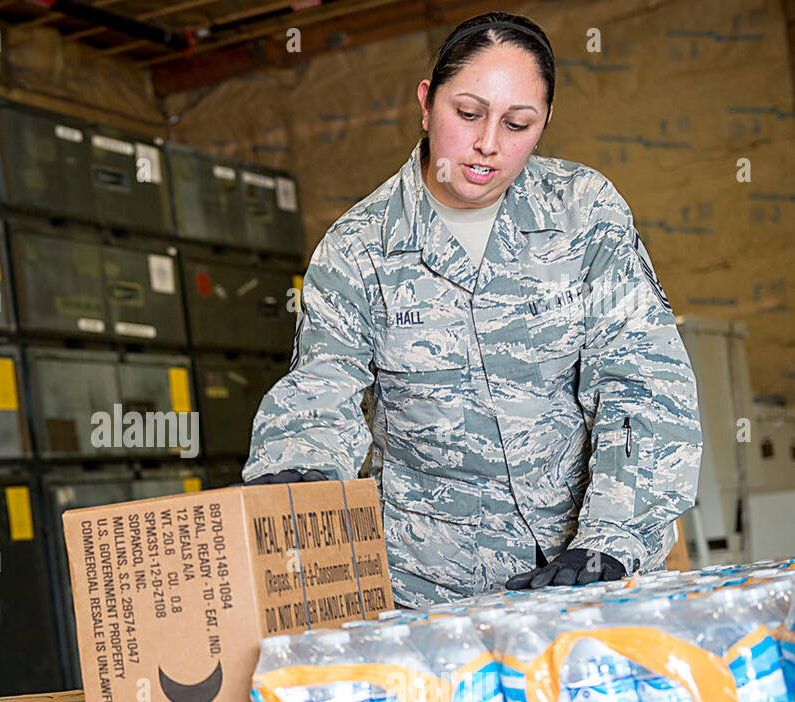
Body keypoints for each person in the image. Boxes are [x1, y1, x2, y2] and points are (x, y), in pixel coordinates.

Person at [243, 11, 702, 609]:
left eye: (518, 124)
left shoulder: (585, 213)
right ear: (427, 102)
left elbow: (643, 382)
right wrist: (297, 472)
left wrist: (611, 543)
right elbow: (322, 388)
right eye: (468, 114)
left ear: (544, 125)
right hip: (435, 594)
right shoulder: (359, 249)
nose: (489, 143)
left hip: (598, 569)